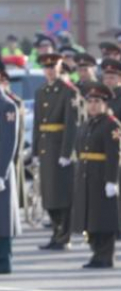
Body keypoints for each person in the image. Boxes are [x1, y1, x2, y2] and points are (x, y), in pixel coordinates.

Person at [71, 82, 121, 268]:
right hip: (87, 176)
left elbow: (114, 154)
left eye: (97, 101)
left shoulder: (111, 125)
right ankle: (96, 253)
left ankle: (105, 255)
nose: (93, 105)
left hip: (101, 176)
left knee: (103, 218)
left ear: (105, 104)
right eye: (90, 101)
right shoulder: (87, 123)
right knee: (90, 218)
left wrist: (112, 180)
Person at [32, 52, 79, 250]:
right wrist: (35, 151)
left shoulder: (69, 91)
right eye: (47, 67)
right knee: (49, 194)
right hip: (46, 149)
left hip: (60, 149)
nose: (50, 70)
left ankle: (64, 236)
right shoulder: (42, 91)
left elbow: (72, 124)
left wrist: (66, 153)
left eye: (53, 67)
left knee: (62, 194)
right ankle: (56, 232)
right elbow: (37, 124)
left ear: (60, 67)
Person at [0, 64, 19, 274]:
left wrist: (1, 173)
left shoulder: (7, 106)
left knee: (2, 219)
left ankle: (4, 262)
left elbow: (8, 142)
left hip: (0, 170)